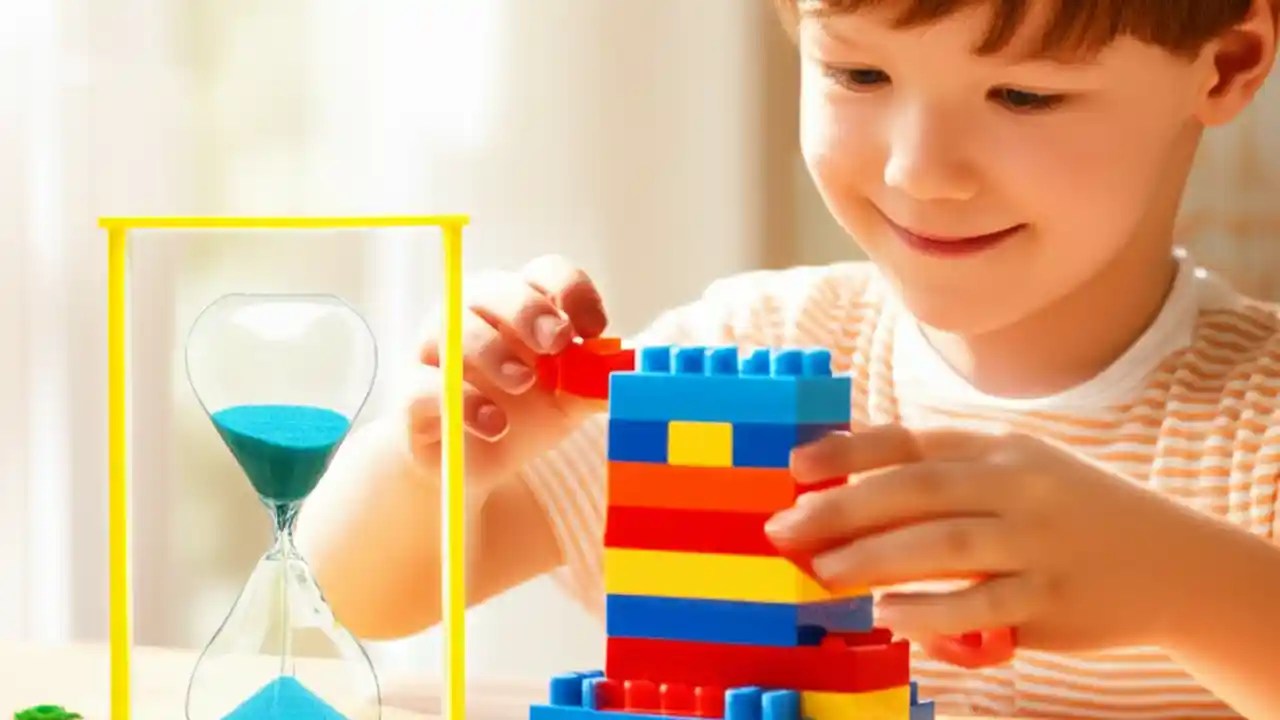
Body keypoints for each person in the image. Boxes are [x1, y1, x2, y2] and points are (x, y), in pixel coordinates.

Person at [295, 0, 1280, 717]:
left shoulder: (1257, 429)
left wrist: (1177, 582)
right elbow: (365, 592)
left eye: (1023, 94)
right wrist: (440, 454)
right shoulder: (747, 360)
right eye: (859, 76)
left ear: (1227, 62)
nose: (916, 172)